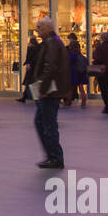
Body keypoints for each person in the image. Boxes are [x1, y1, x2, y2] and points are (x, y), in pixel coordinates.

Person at [31, 17, 70, 168]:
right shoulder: (52, 42)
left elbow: (51, 66)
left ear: (48, 28)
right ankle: (52, 155)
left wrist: (44, 88)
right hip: (51, 89)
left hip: (50, 91)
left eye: (39, 27)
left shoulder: (52, 43)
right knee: (43, 122)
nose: (37, 31)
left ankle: (54, 157)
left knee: (47, 123)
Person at [91, 32, 108, 113]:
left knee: (104, 90)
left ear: (101, 38)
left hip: (103, 71)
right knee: (107, 88)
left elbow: (97, 59)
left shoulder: (100, 48)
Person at [65, 33, 88, 108]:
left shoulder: (71, 54)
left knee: (70, 88)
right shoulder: (80, 54)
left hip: (73, 72)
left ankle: (68, 101)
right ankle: (83, 101)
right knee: (81, 88)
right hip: (80, 72)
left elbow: (68, 61)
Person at [18, 34, 41, 102]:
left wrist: (28, 63)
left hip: (31, 67)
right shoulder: (38, 47)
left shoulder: (30, 47)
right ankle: (28, 96)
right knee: (32, 82)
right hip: (35, 67)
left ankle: (28, 97)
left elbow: (29, 56)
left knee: (30, 82)